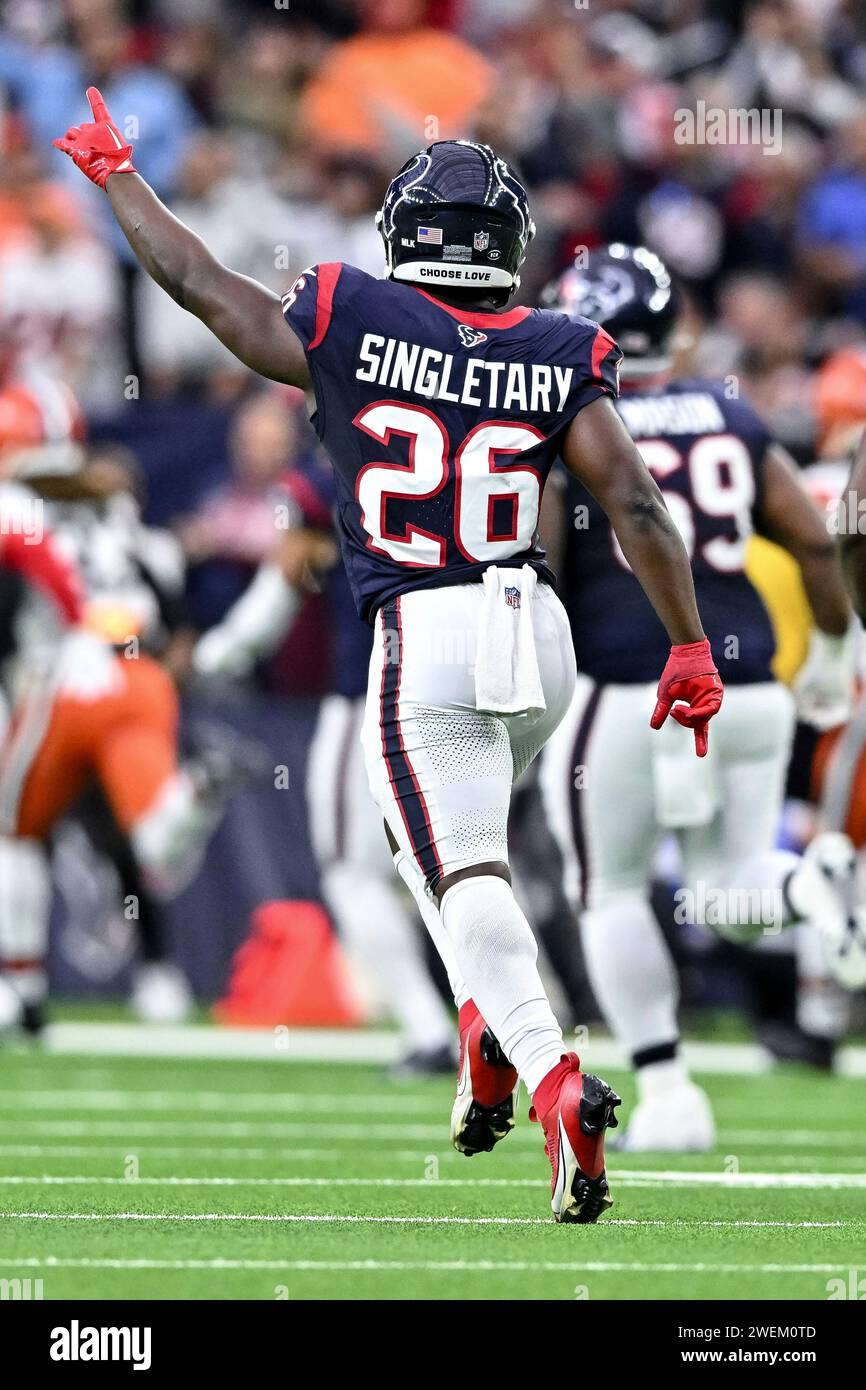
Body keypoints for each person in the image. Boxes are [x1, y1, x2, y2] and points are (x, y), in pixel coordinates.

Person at [54, 93, 724, 1222]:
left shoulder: (347, 312)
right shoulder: (562, 346)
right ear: (505, 245)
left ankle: (552, 1079)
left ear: (401, 234)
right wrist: (689, 645)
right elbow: (636, 505)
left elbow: (201, 288)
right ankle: (481, 1035)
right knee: (440, 852)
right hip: (536, 636)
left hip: (427, 629)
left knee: (454, 867)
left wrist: (120, 173)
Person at [537, 245, 866, 1152]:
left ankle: (670, 1090)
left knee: (611, 888)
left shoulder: (568, 410)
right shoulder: (726, 407)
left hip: (632, 681)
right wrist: (836, 646)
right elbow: (812, 539)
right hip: (749, 681)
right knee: (728, 889)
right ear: (673, 326)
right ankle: (813, 884)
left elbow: (541, 563)